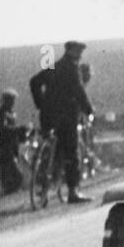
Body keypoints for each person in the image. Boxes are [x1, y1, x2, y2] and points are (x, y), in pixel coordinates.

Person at [36, 41, 96, 203]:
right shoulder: (72, 67)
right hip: (66, 117)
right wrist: (89, 109)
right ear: (72, 51)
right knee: (72, 153)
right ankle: (72, 192)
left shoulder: (54, 66)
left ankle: (43, 188)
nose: (81, 54)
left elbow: (34, 82)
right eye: (79, 51)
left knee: (50, 153)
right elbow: (78, 89)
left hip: (48, 116)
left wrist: (41, 104)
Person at [1, 89, 31, 196]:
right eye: (11, 100)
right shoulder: (2, 113)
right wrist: (17, 129)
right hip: (4, 146)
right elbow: (3, 129)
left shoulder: (11, 113)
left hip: (12, 145)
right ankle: (9, 192)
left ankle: (9, 191)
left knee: (12, 172)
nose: (13, 102)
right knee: (15, 174)